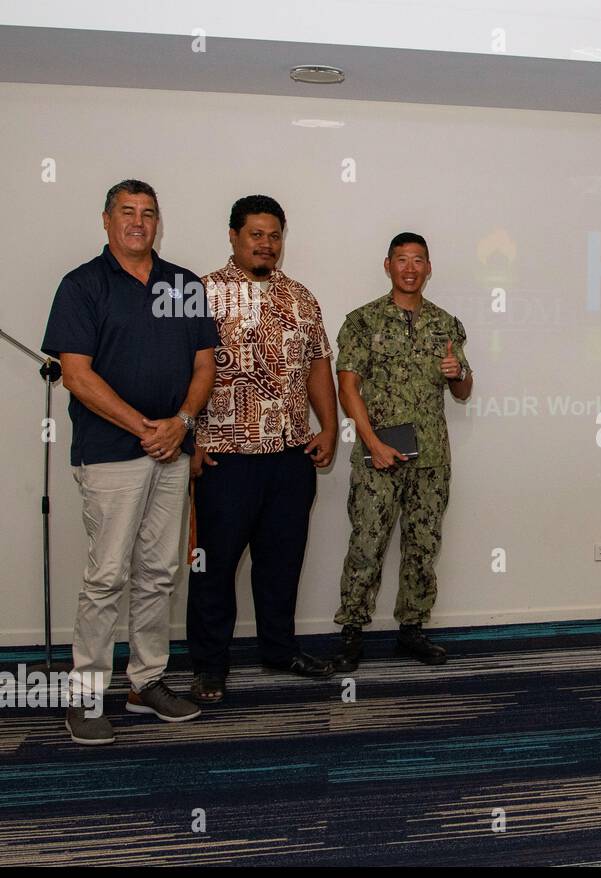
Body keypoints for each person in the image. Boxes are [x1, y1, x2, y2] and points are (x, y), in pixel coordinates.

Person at [41, 179, 217, 744]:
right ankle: (87, 695)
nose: (138, 222)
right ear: (107, 220)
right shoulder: (82, 285)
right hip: (112, 454)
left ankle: (147, 682)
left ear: (158, 222)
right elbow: (77, 374)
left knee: (160, 573)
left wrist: (182, 423)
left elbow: (204, 365)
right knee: (106, 576)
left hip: (173, 448)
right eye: (127, 212)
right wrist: (145, 427)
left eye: (148, 213)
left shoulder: (184, 285)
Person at [186, 196, 339, 702]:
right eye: (255, 233)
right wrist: (189, 439)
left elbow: (318, 365)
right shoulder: (202, 294)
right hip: (224, 456)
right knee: (214, 566)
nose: (265, 243)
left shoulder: (301, 297)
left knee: (282, 562)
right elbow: (180, 370)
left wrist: (330, 425)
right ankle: (209, 665)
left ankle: (279, 650)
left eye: (273, 235)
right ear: (233, 235)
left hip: (290, 456)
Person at [330, 233, 472, 671]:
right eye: (402, 260)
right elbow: (347, 386)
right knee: (367, 544)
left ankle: (412, 629)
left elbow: (464, 391)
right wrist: (372, 442)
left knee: (423, 546)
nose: (410, 268)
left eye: (418, 261)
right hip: (378, 455)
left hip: (430, 458)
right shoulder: (362, 321)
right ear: (387, 265)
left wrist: (458, 371)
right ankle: (352, 631)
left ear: (429, 268)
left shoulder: (446, 324)